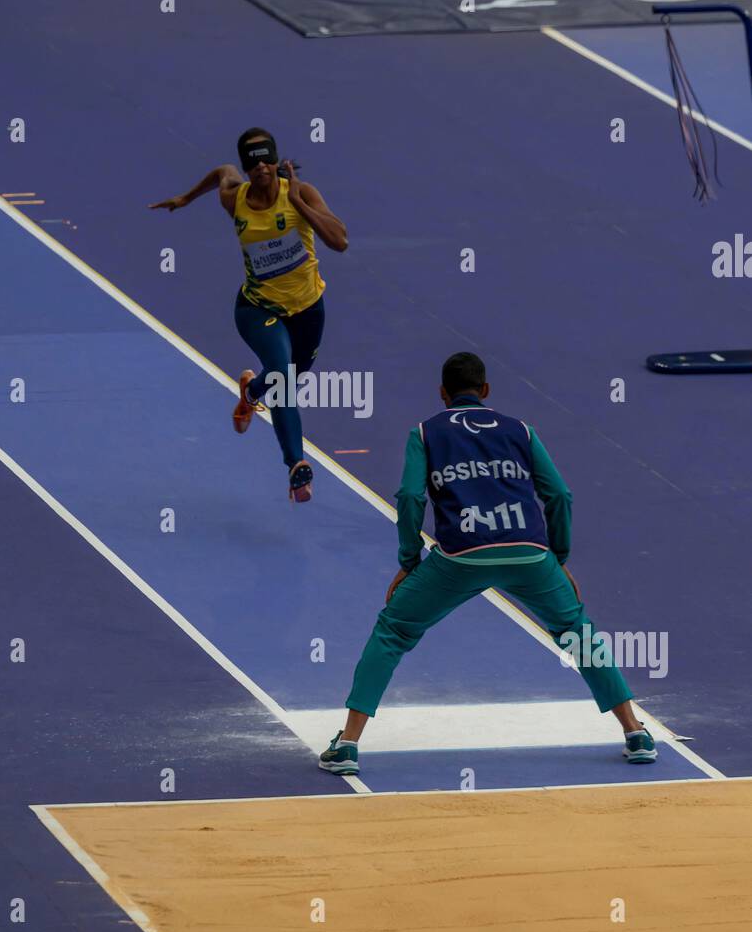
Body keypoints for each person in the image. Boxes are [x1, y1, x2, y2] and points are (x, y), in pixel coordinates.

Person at [319, 351, 658, 775]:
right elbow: (559, 495)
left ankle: (348, 742)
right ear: (486, 391)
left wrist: (409, 561)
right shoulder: (522, 431)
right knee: (577, 634)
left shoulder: (424, 433)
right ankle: (635, 733)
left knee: (394, 630)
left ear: (443, 394)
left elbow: (409, 497)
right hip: (530, 554)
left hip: (459, 557)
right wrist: (559, 556)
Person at [149, 128, 348, 501]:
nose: (260, 168)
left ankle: (251, 389)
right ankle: (296, 467)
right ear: (247, 167)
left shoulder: (301, 193)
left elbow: (340, 241)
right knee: (284, 378)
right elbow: (223, 170)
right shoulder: (233, 199)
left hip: (307, 311)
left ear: (276, 161)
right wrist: (187, 198)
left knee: (281, 379)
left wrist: (300, 203)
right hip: (257, 309)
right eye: (252, 163)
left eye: (266, 160)